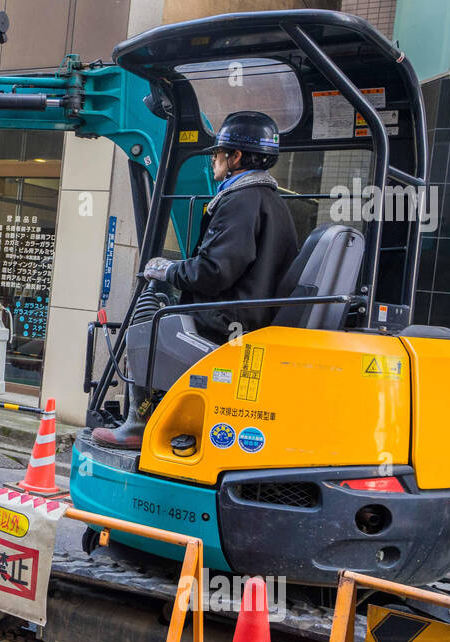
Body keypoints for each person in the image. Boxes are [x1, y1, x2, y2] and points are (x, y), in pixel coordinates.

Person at [93, 110, 298, 449]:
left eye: (218, 154)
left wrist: (166, 270)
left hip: (230, 321)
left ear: (235, 157)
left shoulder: (240, 202)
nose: (213, 160)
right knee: (160, 307)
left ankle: (139, 422)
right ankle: (166, 413)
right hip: (250, 313)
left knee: (146, 324)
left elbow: (214, 271)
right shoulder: (270, 201)